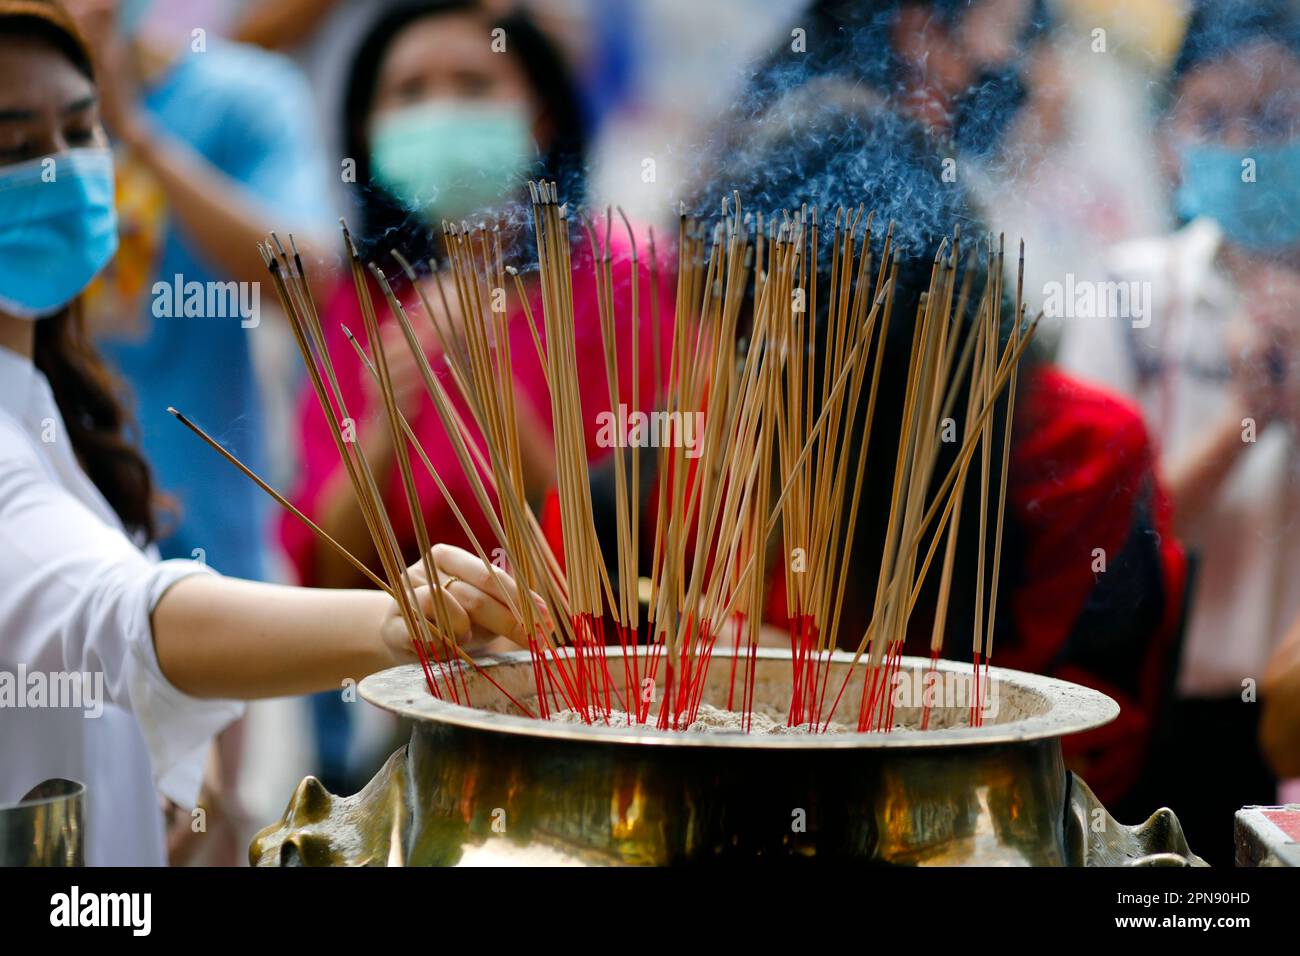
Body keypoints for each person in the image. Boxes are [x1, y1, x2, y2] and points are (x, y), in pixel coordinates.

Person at [553, 81, 1188, 810]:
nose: (763, 364)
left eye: (805, 332)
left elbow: (1089, 764)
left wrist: (832, 697)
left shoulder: (1073, 452)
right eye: (740, 319)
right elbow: (581, 727)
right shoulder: (667, 464)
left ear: (932, 325)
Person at [0, 0, 531, 866]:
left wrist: (165, 758)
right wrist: (396, 624)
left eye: (80, 130)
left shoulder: (47, 395)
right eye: (14, 148)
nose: (60, 174)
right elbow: (121, 614)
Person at [1057, 0, 1300, 863]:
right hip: (1159, 720)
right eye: (1212, 116)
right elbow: (1100, 543)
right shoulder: (1128, 295)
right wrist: (1247, 416)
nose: (1243, 145)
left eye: (1274, 118)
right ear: (1169, 139)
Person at [62, 0, 334, 583]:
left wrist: (132, 127)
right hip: (46, 555)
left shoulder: (242, 97)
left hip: (215, 555)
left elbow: (310, 281)